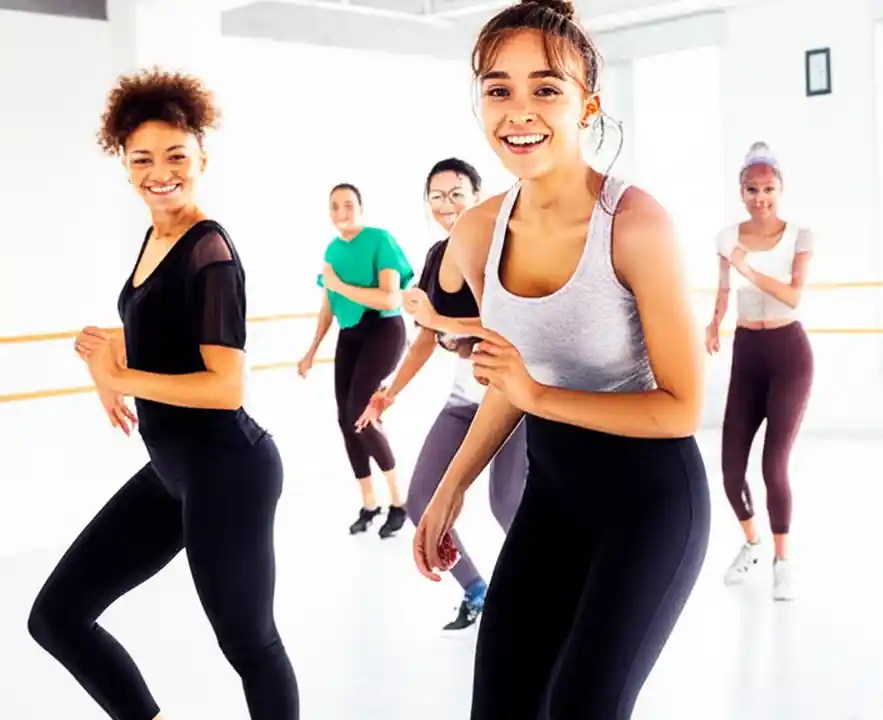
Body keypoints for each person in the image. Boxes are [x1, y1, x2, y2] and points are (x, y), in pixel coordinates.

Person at [411, 1, 709, 716]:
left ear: (587, 104)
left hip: (651, 502)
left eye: (546, 88)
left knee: (582, 706)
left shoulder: (635, 225)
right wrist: (450, 489)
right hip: (555, 496)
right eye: (499, 88)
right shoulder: (480, 231)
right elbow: (509, 380)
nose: (520, 112)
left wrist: (536, 395)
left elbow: (683, 408)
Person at [27, 68, 299, 720]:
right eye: (141, 158)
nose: (160, 171)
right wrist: (106, 353)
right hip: (173, 468)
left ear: (202, 157)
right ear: (123, 163)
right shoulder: (159, 236)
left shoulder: (210, 250)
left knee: (249, 643)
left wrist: (119, 377)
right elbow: (163, 328)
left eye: (176, 156)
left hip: (228, 469)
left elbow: (226, 386)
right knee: (57, 617)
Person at [356, 158, 528, 633]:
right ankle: (477, 591)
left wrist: (438, 319)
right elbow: (426, 338)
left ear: (477, 197)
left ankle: (549, 600)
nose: (447, 205)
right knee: (421, 503)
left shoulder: (501, 251)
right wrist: (388, 392)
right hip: (461, 402)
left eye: (457, 194)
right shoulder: (435, 256)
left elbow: (508, 328)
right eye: (437, 196)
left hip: (511, 401)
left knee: (507, 505)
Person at [708, 141, 814, 600]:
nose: (760, 198)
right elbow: (724, 289)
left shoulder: (801, 236)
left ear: (781, 188)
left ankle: (783, 561)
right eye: (751, 189)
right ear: (741, 191)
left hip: (789, 354)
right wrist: (714, 321)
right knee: (731, 469)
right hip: (747, 351)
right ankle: (753, 543)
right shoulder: (726, 237)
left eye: (768, 188)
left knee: (774, 465)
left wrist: (748, 269)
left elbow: (793, 296)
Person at [298, 183, 414, 536]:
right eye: (334, 206)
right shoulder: (332, 251)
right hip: (350, 336)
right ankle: (369, 503)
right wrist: (311, 351)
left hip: (383, 330)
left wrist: (339, 284)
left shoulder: (380, 239)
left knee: (359, 415)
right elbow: (327, 307)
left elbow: (390, 298)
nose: (341, 212)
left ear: (360, 207)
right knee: (344, 419)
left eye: (348, 204)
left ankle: (400, 502)